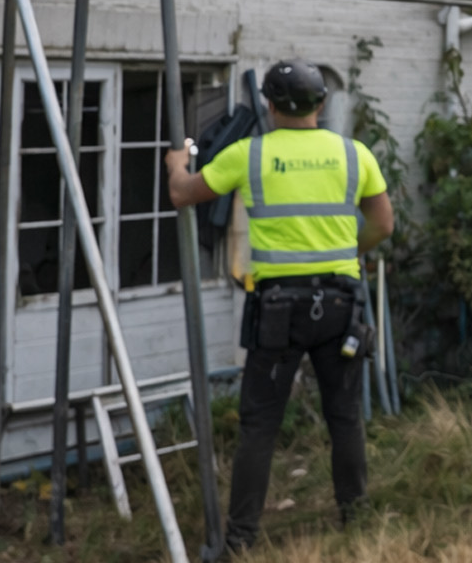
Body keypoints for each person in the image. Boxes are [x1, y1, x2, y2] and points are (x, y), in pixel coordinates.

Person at [164, 59, 393, 554]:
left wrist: (176, 162)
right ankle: (355, 518)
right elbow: (382, 225)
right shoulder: (355, 155)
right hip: (340, 304)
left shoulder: (249, 154)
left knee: (260, 426)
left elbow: (183, 195)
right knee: (345, 416)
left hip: (276, 312)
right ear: (321, 104)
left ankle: (241, 540)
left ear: (268, 104)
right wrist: (346, 252)